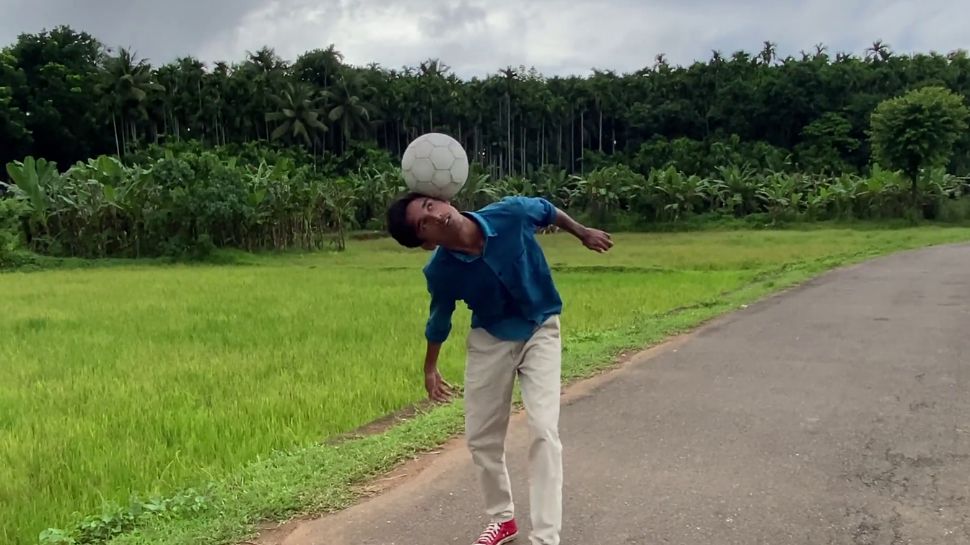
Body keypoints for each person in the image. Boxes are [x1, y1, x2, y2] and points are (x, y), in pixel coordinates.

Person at [385, 192, 613, 545]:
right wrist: (430, 367)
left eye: (431, 206)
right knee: (481, 437)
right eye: (423, 223)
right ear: (426, 243)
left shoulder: (511, 213)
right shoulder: (440, 271)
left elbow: (547, 210)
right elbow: (440, 317)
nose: (436, 216)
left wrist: (582, 232)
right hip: (490, 339)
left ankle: (546, 537)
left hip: (540, 328)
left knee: (544, 430)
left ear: (444, 200)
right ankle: (502, 519)